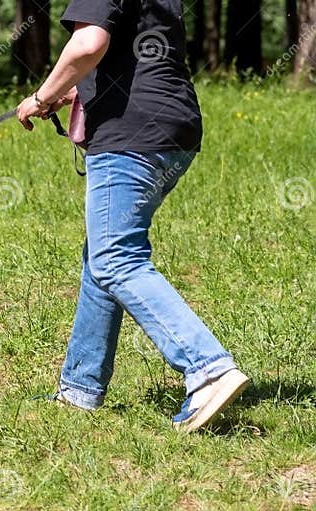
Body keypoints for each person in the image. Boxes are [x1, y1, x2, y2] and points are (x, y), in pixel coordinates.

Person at [16, 0, 249, 432]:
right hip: (174, 129)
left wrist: (40, 96)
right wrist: (76, 90)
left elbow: (89, 43)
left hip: (132, 136)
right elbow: (134, 52)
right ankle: (79, 389)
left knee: (116, 259)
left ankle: (208, 370)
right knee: (102, 256)